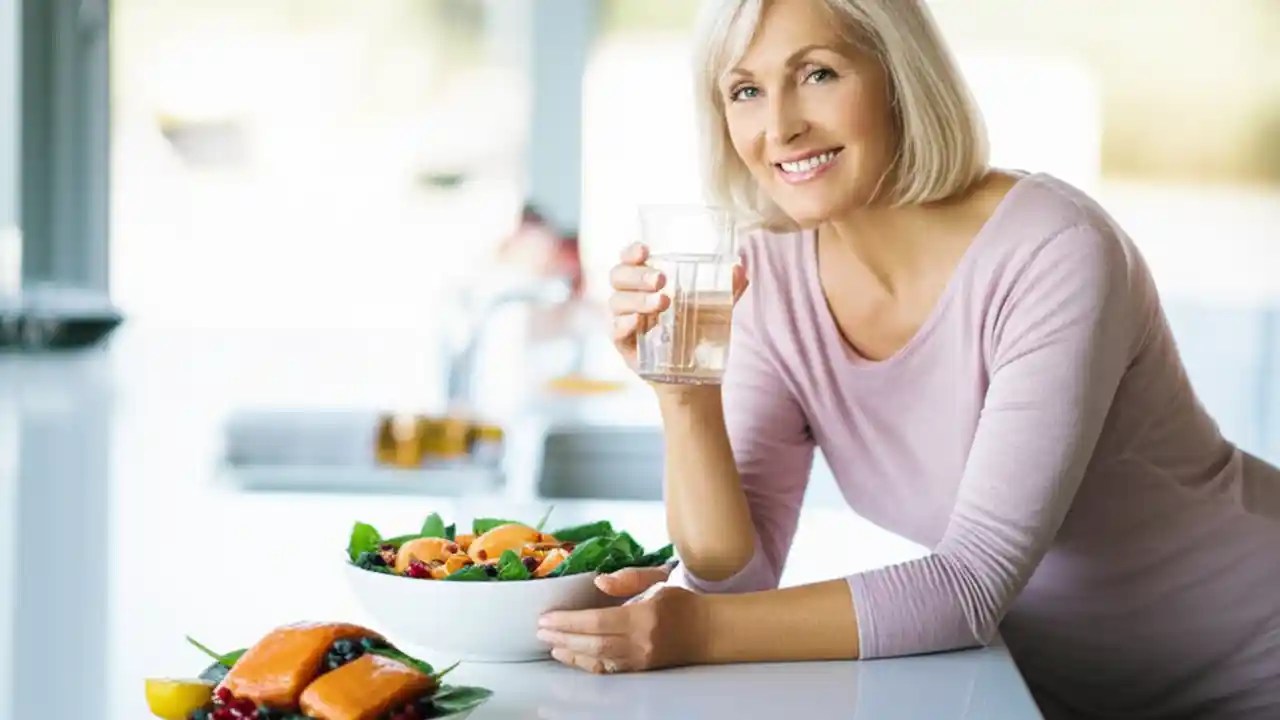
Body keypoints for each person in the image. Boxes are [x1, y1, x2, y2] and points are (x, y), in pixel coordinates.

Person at [535, 0, 1280, 716]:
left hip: (1253, 661)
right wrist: (683, 390)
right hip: (1052, 690)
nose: (782, 126)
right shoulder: (772, 275)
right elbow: (737, 580)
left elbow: (970, 584)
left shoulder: (1054, 251)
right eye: (746, 90)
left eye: (818, 73)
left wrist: (691, 631)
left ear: (899, 73)